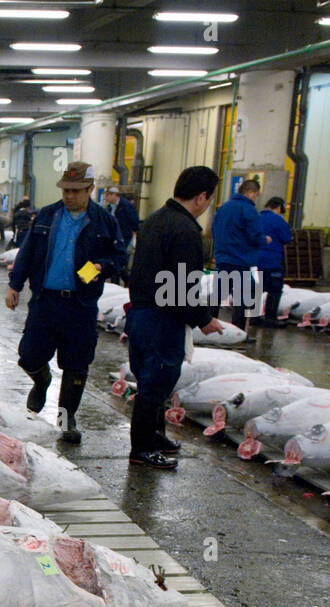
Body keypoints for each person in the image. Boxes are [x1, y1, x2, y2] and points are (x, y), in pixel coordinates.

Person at [4, 162, 126, 444]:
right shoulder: (48, 214)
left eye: (76, 191)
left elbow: (120, 258)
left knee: (76, 366)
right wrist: (14, 285)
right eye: (66, 190)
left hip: (79, 306)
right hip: (45, 302)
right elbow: (28, 252)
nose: (69, 196)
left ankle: (65, 419)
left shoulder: (104, 222)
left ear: (90, 189)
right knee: (29, 356)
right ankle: (42, 380)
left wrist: (100, 266)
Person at [125, 165, 227, 469]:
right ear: (201, 196)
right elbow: (183, 285)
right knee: (156, 382)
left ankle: (156, 436)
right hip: (162, 319)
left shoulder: (154, 220)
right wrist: (202, 318)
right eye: (209, 199)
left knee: (150, 378)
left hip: (142, 313)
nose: (207, 205)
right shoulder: (185, 231)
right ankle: (142, 449)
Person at [212, 178, 266, 329]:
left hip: (223, 258)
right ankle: (238, 332)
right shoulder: (248, 210)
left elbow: (215, 230)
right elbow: (254, 236)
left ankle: (208, 327)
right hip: (241, 260)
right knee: (242, 297)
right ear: (250, 193)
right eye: (256, 195)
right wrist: (264, 240)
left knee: (218, 295)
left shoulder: (223, 208)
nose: (256, 198)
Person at [256, 196, 293, 327]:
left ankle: (253, 318)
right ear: (278, 207)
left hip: (255, 261)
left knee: (256, 290)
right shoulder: (279, 220)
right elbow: (287, 238)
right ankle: (270, 318)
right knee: (275, 290)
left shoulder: (255, 217)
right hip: (272, 262)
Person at [104, 186, 141, 285]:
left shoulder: (126, 206)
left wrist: (133, 233)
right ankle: (119, 282)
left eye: (108, 195)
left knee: (120, 261)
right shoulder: (109, 207)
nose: (106, 197)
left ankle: (125, 281)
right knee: (114, 261)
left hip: (124, 238)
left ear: (114, 195)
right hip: (112, 238)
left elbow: (135, 222)